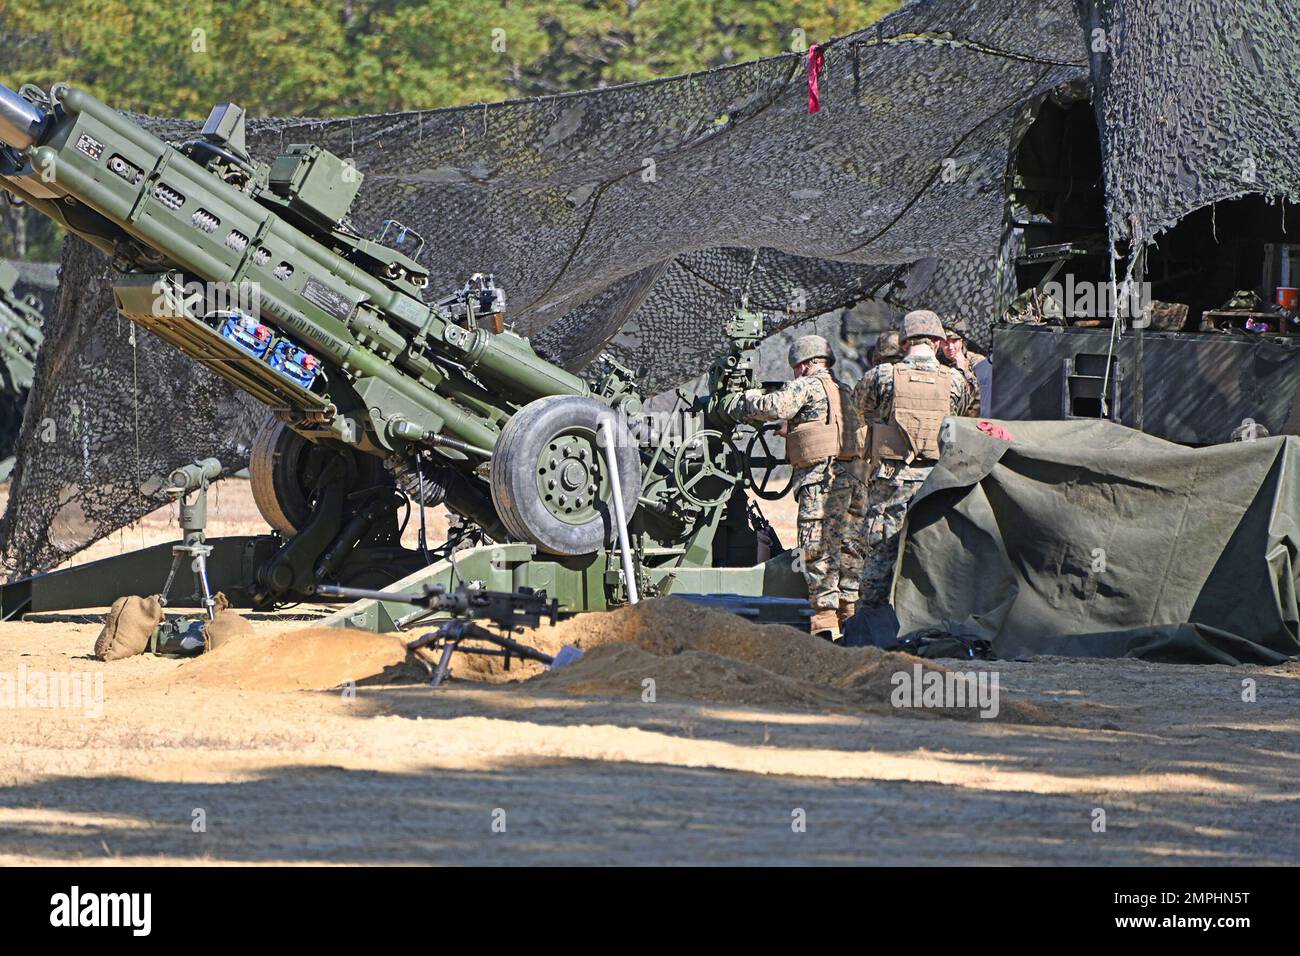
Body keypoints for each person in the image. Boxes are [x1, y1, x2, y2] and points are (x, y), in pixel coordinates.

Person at [734, 334, 859, 639]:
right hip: (851, 482)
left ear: (803, 365)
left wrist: (745, 398)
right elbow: (827, 424)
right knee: (849, 548)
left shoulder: (805, 384)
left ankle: (824, 620)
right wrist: (795, 430)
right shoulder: (843, 389)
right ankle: (852, 617)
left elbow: (775, 406)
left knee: (817, 548)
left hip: (820, 481)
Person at [853, 310, 976, 613]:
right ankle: (933, 624)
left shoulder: (881, 376)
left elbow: (859, 410)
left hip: (890, 481)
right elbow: (961, 419)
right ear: (937, 342)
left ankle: (871, 625)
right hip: (936, 481)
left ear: (905, 342)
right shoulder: (957, 381)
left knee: (880, 554)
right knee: (935, 553)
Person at [821, 329, 902, 634]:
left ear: (877, 358)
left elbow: (856, 413)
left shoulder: (875, 379)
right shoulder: (934, 379)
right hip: (915, 474)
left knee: (864, 541)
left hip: (873, 472)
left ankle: (853, 610)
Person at [939, 318, 991, 416]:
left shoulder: (978, 362)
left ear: (962, 340)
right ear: (939, 343)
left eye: (954, 341)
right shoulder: (936, 360)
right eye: (945, 342)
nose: (950, 347)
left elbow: (983, 394)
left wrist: (964, 370)